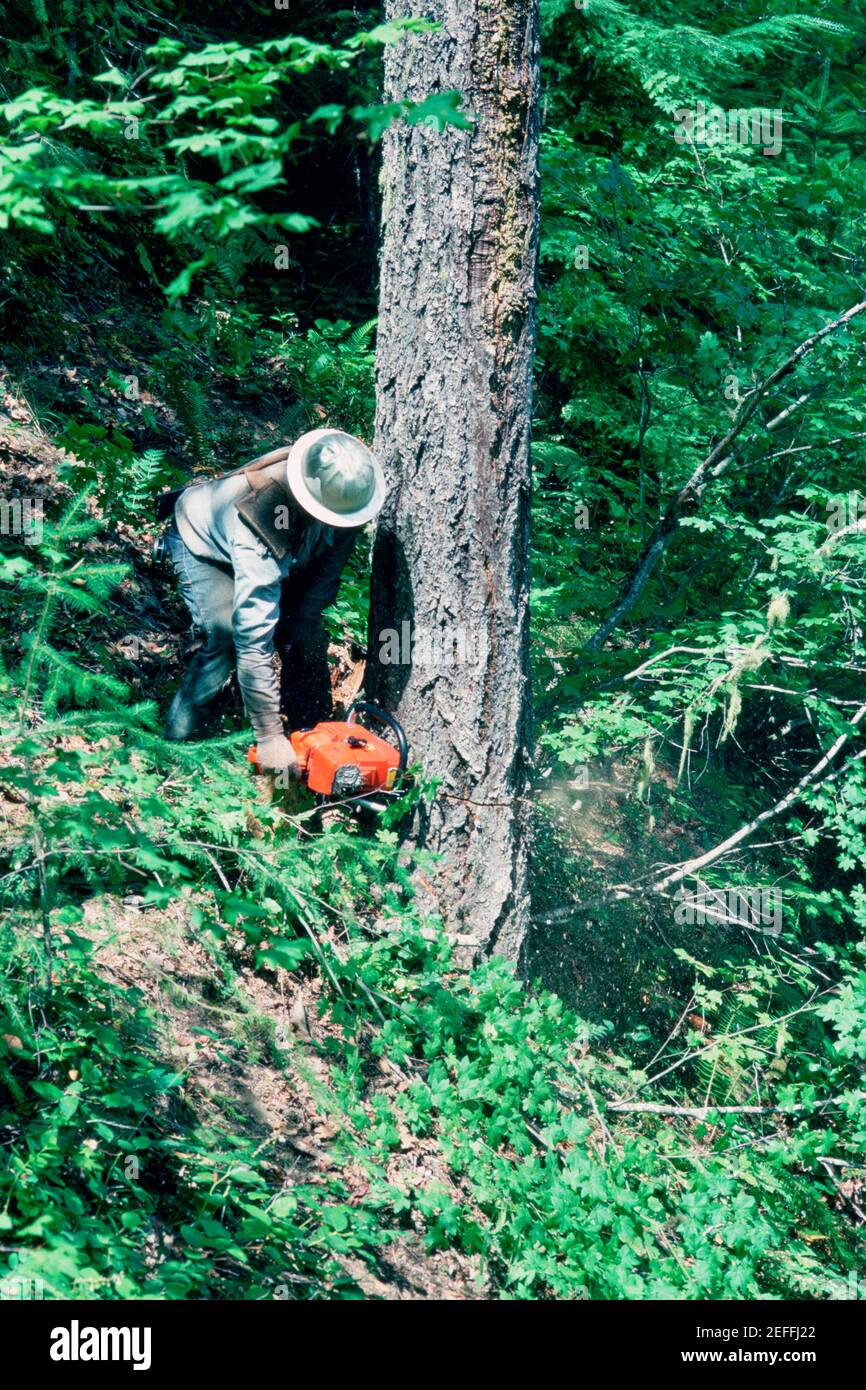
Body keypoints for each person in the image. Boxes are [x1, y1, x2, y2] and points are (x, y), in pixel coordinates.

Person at [163, 428, 386, 776]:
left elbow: (322, 581)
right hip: (207, 548)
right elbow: (252, 638)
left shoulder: (347, 497)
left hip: (284, 557)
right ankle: (177, 755)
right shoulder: (264, 514)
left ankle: (314, 743)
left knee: (305, 635)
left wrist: (301, 627)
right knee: (225, 642)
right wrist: (268, 736)